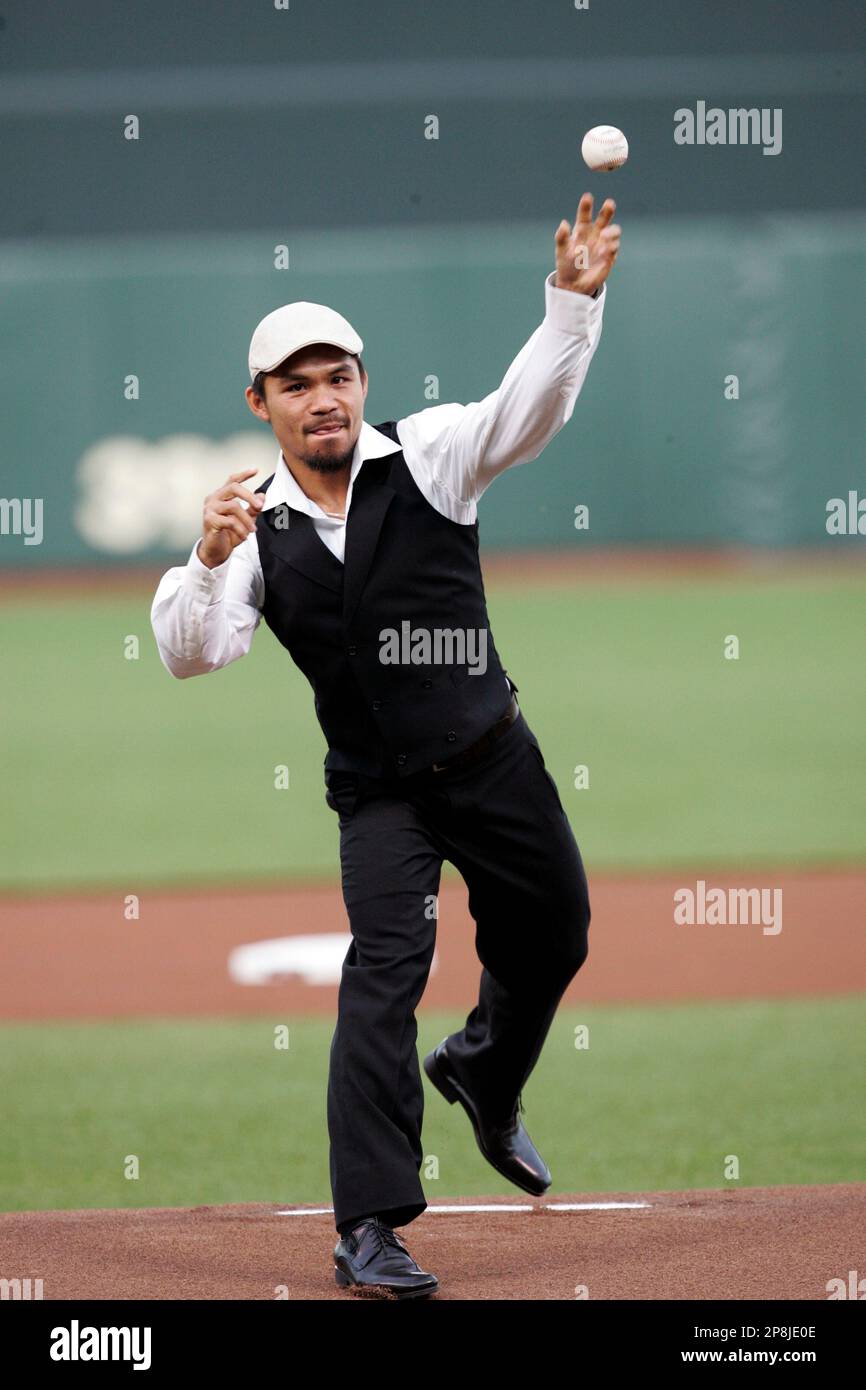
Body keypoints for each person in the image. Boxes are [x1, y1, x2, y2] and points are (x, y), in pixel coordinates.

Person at [150, 193, 621, 1299]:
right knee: (380, 981)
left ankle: (484, 1073)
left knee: (555, 933)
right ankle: (367, 1225)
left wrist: (571, 304)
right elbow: (189, 652)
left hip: (492, 755)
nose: (324, 398)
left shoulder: (434, 454)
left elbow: (531, 406)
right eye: (297, 383)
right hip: (380, 798)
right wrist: (209, 556)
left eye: (339, 375)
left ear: (363, 382)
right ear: (259, 403)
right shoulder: (251, 528)